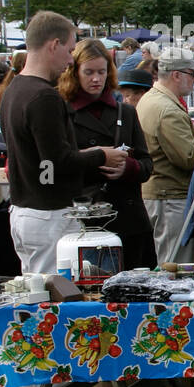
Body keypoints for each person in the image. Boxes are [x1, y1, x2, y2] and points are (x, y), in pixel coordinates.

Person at [0, 13, 128, 387]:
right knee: (47, 314)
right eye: (71, 47)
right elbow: (54, 164)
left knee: (39, 306)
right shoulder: (42, 97)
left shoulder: (15, 89)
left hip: (28, 213)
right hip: (48, 215)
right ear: (53, 44)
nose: (71, 57)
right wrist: (101, 156)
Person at [58, 39, 157, 270]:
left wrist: (128, 168)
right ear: (75, 72)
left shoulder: (126, 112)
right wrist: (92, 158)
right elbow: (58, 165)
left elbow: (147, 165)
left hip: (129, 220)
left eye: (102, 72)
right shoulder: (63, 112)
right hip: (86, 223)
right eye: (89, 72)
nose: (96, 78)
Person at [137, 47, 194, 264]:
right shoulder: (168, 110)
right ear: (177, 75)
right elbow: (189, 158)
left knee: (169, 260)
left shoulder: (151, 99)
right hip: (170, 197)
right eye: (192, 75)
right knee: (176, 266)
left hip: (162, 194)